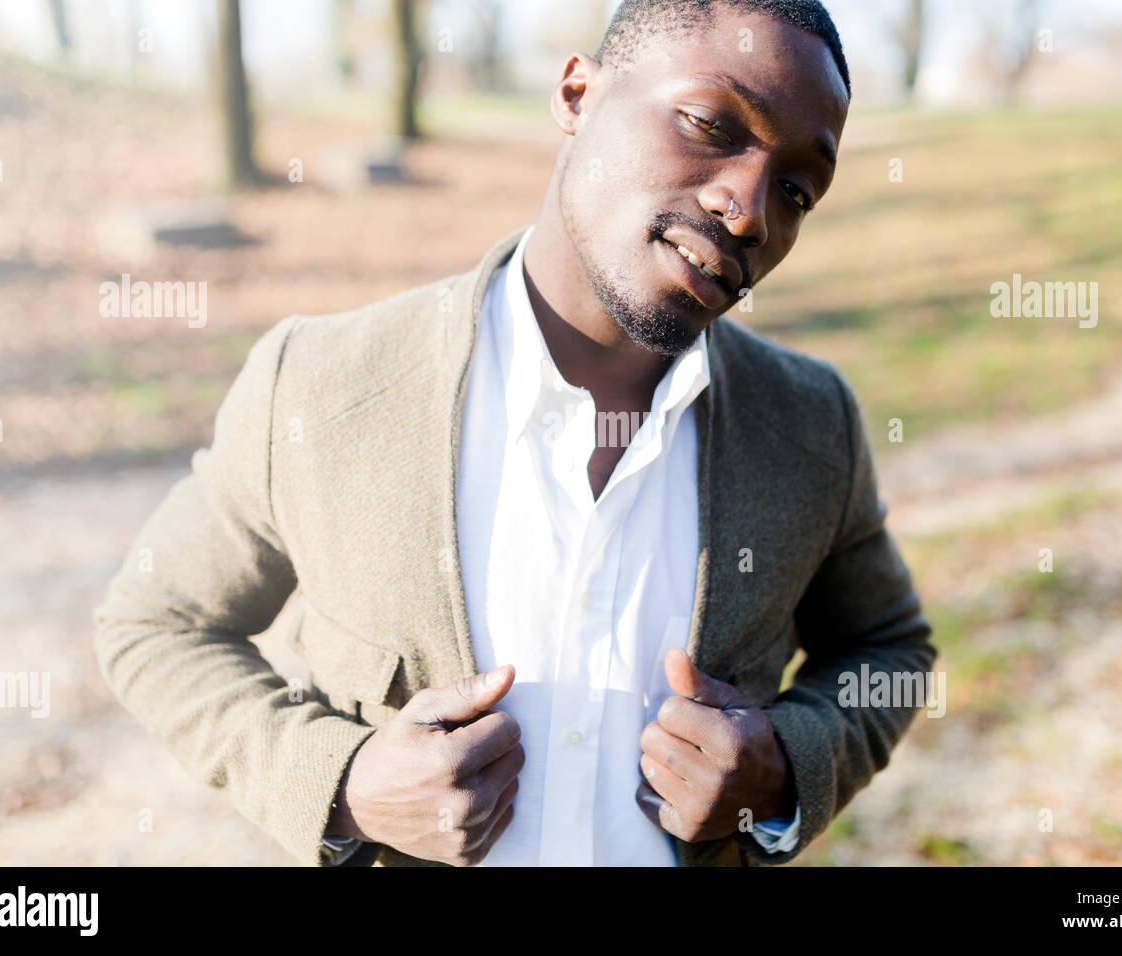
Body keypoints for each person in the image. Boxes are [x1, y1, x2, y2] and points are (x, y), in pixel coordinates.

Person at [93, 0, 936, 868]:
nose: (750, 210)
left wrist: (784, 769)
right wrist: (340, 783)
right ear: (577, 95)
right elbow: (155, 623)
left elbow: (892, 651)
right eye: (711, 124)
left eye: (796, 188)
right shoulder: (318, 385)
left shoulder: (809, 423)